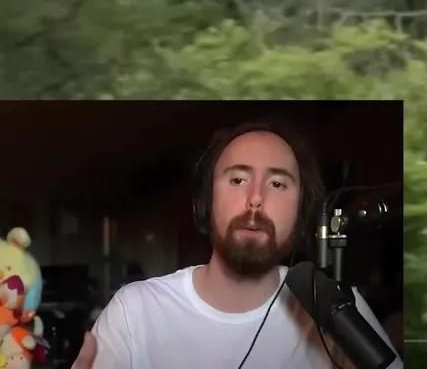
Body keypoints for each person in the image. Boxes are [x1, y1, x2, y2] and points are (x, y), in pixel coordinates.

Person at [72, 122, 404, 368]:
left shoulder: (339, 308)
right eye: (238, 180)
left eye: (277, 183)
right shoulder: (135, 312)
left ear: (300, 213)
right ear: (204, 204)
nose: (256, 198)